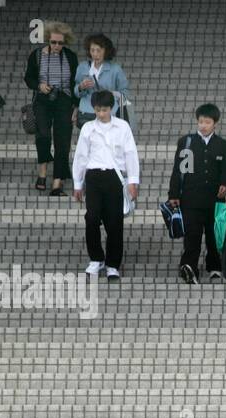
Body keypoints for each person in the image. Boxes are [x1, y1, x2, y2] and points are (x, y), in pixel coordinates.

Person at [72, 90, 140, 280]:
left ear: (112, 108)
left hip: (114, 177)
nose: (101, 113)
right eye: (98, 110)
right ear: (93, 109)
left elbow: (130, 154)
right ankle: (96, 259)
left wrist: (133, 181)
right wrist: (78, 183)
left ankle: (112, 265)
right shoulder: (88, 128)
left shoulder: (122, 127)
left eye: (105, 110)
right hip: (93, 177)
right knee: (92, 218)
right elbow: (81, 156)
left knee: (114, 222)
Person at [167, 103, 226, 284]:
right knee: (192, 235)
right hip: (190, 198)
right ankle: (189, 268)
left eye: (207, 122)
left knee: (213, 235)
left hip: (215, 199)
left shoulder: (223, 145)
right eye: (201, 121)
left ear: (215, 123)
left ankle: (215, 267)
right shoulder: (186, 142)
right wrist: (174, 194)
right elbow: (178, 170)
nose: (203, 125)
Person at [23, 21, 78, 195]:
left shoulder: (70, 56)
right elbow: (28, 78)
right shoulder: (37, 55)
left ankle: (57, 182)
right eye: (53, 42)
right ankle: (42, 172)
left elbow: (75, 81)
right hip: (43, 99)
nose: (56, 46)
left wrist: (75, 106)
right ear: (48, 40)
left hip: (63, 99)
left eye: (60, 43)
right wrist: (39, 86)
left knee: (63, 142)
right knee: (43, 135)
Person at [74, 33, 131, 129]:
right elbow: (76, 92)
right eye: (92, 50)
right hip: (87, 112)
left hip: (109, 112)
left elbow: (125, 92)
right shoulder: (83, 67)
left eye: (99, 51)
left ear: (106, 51)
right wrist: (81, 87)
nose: (95, 54)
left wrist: (112, 93)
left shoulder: (115, 69)